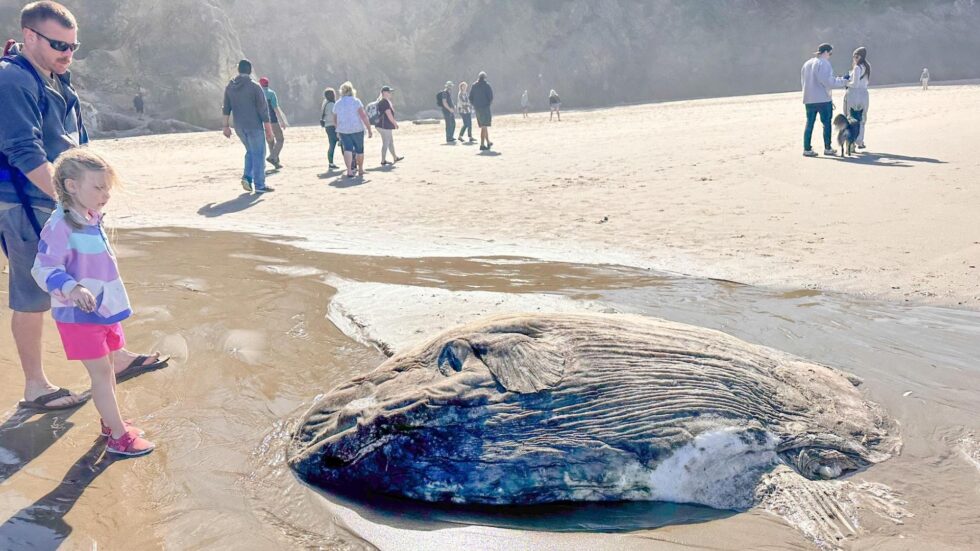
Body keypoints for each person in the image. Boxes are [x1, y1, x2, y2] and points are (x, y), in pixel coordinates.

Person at [1, 2, 165, 411]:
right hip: (26, 204)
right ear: (30, 36)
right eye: (59, 44)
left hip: (61, 201)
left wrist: (87, 196)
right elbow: (24, 150)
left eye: (73, 46)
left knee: (92, 274)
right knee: (33, 292)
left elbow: (72, 142)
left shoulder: (56, 78)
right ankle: (36, 386)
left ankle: (116, 357)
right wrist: (69, 202)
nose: (68, 53)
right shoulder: (12, 81)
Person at [31, 149, 154, 455]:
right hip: (80, 315)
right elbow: (43, 267)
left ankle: (110, 423)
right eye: (98, 187)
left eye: (107, 188)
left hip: (104, 309)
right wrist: (71, 288)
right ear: (72, 186)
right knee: (100, 374)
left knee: (109, 368)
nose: (106, 194)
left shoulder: (90, 217)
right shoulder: (59, 225)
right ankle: (118, 437)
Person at [222, 59, 275, 193]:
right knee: (258, 154)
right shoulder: (255, 87)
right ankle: (259, 185)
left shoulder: (230, 86)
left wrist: (225, 126)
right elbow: (263, 111)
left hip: (239, 126)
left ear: (239, 70)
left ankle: (247, 177)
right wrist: (269, 131)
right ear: (250, 70)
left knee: (250, 152)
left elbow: (226, 107)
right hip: (254, 126)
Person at [801, 43, 848, 157]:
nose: (830, 55)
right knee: (826, 124)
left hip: (809, 98)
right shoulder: (824, 63)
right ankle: (827, 148)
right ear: (826, 52)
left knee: (809, 123)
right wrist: (843, 80)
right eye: (830, 53)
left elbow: (804, 82)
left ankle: (807, 148)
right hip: (822, 98)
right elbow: (828, 82)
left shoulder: (807, 63)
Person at [332, 81, 373, 178]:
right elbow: (363, 116)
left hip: (343, 130)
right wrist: (369, 128)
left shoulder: (338, 103)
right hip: (357, 129)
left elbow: (334, 118)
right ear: (352, 91)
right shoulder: (356, 101)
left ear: (341, 91)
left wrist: (337, 129)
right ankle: (360, 169)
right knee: (359, 150)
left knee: (347, 149)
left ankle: (349, 171)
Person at [843, 47, 870, 149]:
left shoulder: (857, 68)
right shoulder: (867, 67)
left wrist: (846, 82)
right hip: (864, 94)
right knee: (862, 118)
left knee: (850, 117)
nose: (854, 58)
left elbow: (855, 84)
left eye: (855, 56)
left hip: (854, 94)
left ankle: (851, 143)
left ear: (858, 56)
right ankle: (860, 141)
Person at [259, 76, 288, 169]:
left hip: (262, 121)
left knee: (270, 141)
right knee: (280, 139)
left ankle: (276, 162)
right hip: (273, 121)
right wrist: (282, 121)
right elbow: (275, 108)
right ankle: (272, 157)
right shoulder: (271, 93)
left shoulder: (257, 94)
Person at [375, 85, 402, 166]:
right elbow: (389, 114)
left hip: (383, 125)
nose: (390, 93)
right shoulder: (384, 102)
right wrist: (395, 123)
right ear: (384, 93)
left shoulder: (383, 101)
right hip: (384, 126)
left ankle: (395, 157)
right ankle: (383, 160)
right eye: (389, 92)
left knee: (390, 142)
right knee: (386, 142)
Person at [470, 71, 494, 151]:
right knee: (484, 126)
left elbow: (470, 97)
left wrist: (475, 105)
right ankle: (482, 144)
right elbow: (491, 97)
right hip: (485, 108)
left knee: (484, 126)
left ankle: (488, 142)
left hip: (477, 109)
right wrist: (487, 104)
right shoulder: (487, 85)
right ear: (485, 77)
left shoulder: (474, 85)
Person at [320, 87, 340, 170]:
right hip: (333, 126)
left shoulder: (325, 103)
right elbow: (336, 115)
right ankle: (349, 162)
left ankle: (331, 163)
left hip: (328, 126)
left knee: (331, 144)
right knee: (342, 143)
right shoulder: (332, 104)